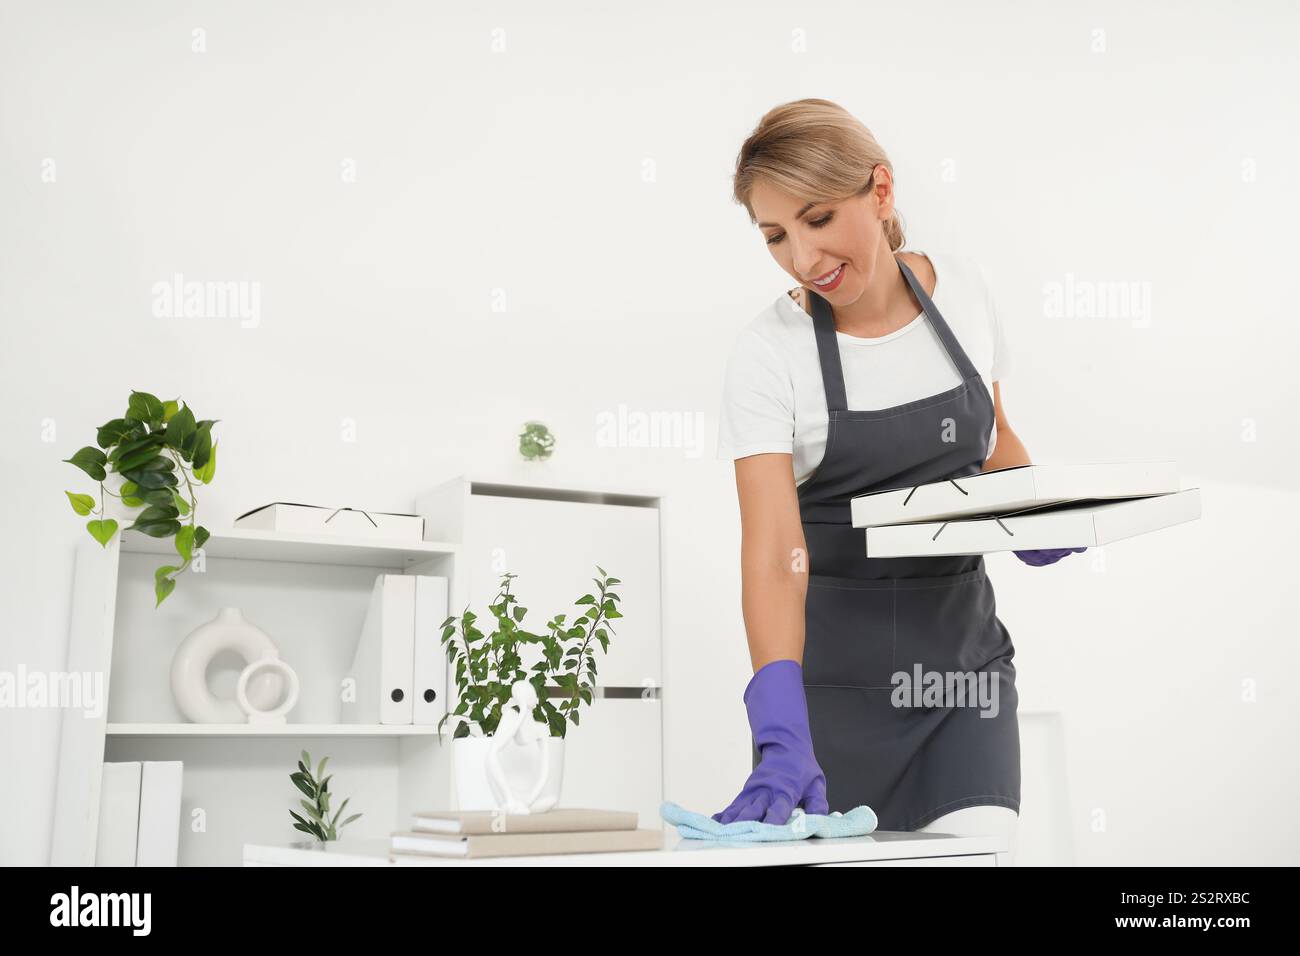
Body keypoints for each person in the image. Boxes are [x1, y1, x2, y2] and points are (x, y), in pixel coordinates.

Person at [713, 98, 1084, 855]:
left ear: (880, 192)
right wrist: (781, 728)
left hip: (963, 685)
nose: (802, 259)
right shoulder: (768, 355)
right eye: (775, 236)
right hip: (831, 707)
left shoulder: (968, 293)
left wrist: (1039, 513)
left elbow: (994, 436)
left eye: (817, 220)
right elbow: (777, 555)